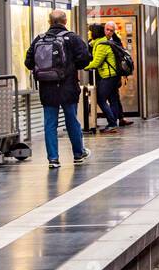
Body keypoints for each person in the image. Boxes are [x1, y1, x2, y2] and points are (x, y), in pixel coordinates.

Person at [24, 9, 91, 169]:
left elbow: (28, 63)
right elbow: (85, 59)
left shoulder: (39, 39)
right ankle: (78, 154)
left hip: (47, 89)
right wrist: (72, 66)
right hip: (68, 87)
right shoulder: (72, 38)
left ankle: (53, 159)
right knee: (72, 121)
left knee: (50, 124)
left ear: (49, 22)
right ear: (65, 21)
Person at [87, 23, 125, 134]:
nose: (89, 33)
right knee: (113, 99)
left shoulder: (102, 44)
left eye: (90, 31)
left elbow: (96, 62)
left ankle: (112, 123)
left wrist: (84, 67)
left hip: (108, 76)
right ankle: (113, 123)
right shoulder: (101, 42)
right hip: (113, 75)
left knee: (100, 99)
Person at [103, 21, 132, 126]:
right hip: (106, 74)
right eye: (107, 29)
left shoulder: (115, 40)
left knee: (112, 97)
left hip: (114, 74)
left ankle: (115, 120)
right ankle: (117, 119)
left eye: (111, 30)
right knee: (112, 97)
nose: (109, 32)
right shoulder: (101, 40)